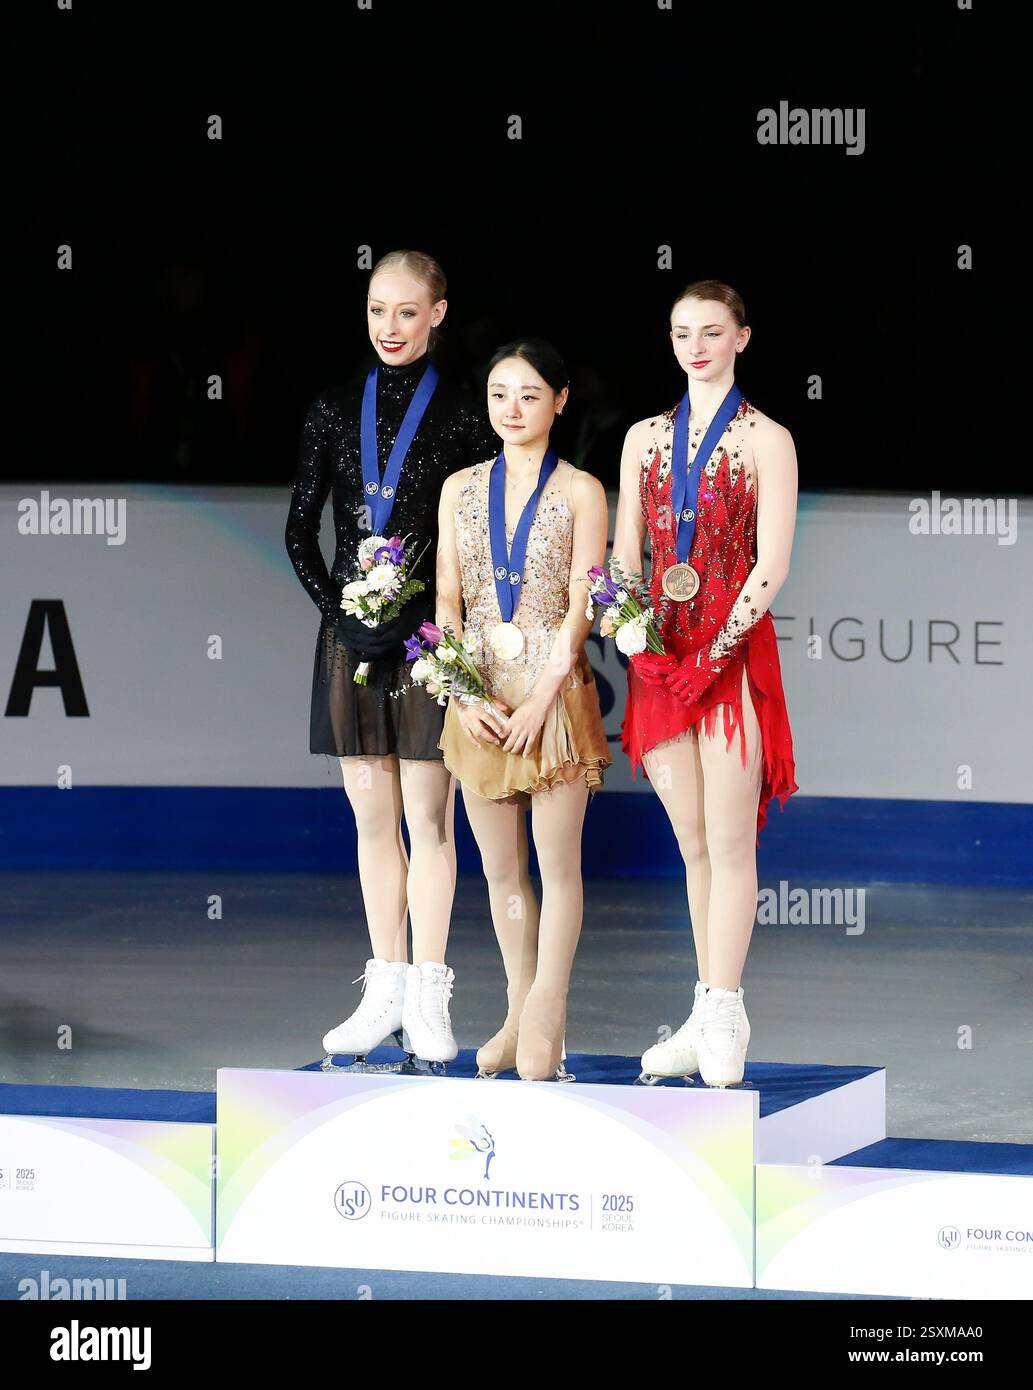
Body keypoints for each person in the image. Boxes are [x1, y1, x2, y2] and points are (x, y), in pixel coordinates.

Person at [284, 249, 497, 1071]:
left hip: (430, 647)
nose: (390, 327)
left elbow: (474, 540)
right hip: (350, 643)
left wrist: (443, 630)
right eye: (378, 310)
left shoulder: (463, 415)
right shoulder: (333, 408)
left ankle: (429, 996)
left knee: (428, 821)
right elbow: (301, 530)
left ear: (438, 314)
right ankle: (383, 988)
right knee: (372, 822)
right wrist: (340, 612)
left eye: (407, 312)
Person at [612, 279, 799, 1087]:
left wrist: (713, 652)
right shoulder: (642, 437)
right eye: (682, 331)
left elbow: (772, 562)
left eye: (712, 331)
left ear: (741, 339)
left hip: (727, 657)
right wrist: (630, 634)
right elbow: (625, 559)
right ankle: (703, 1006)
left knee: (728, 841)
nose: (695, 345)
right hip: (660, 656)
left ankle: (725, 1009)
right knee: (691, 844)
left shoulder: (767, 439)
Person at [434, 338, 611, 1081]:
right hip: (479, 693)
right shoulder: (458, 488)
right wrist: (459, 686)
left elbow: (583, 599)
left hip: (552, 694)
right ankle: (514, 1011)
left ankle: (545, 1018)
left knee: (556, 867)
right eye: (500, 393)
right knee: (501, 874)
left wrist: (544, 692)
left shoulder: (580, 491)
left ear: (559, 401)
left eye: (530, 394)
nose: (512, 409)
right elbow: (447, 596)